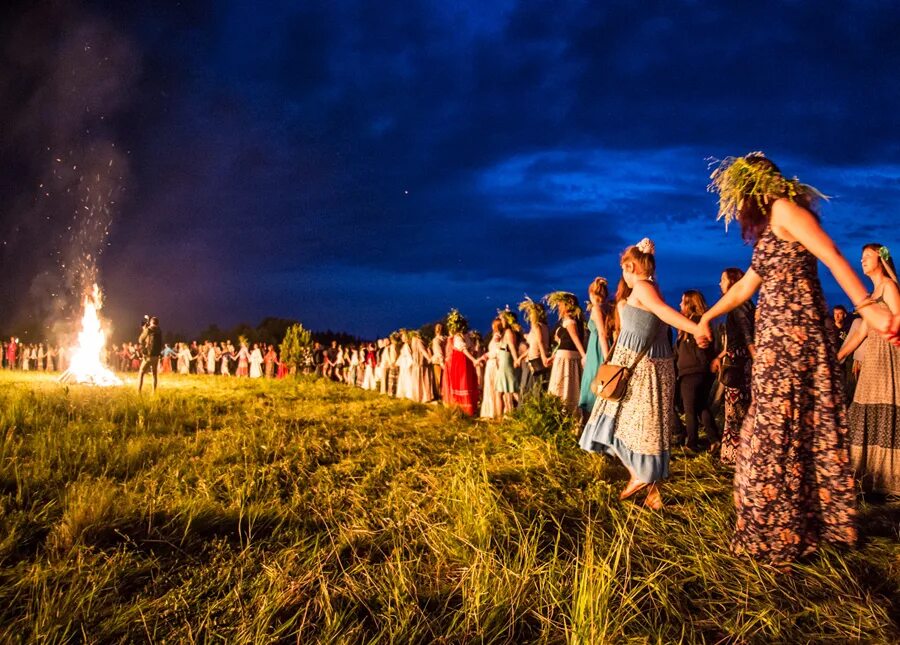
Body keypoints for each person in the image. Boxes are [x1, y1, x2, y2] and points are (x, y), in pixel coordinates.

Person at [699, 152, 898, 564]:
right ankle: (782, 526)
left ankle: (785, 530)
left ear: (752, 187)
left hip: (797, 338)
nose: (737, 205)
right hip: (775, 343)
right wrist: (706, 315)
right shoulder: (773, 225)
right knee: (770, 431)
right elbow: (742, 290)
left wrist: (868, 305)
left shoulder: (787, 210)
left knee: (780, 430)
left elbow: (833, 256)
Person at [580, 239, 705, 510]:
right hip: (654, 364)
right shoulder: (652, 287)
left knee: (628, 423)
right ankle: (653, 490)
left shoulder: (643, 287)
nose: (622, 275)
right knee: (652, 427)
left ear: (630, 266)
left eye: (624, 268)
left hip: (642, 367)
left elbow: (663, 312)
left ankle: (641, 475)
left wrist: (696, 329)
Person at [837, 244, 900, 496]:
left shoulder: (889, 287)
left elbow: (898, 317)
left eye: (867, 256)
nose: (862, 260)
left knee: (885, 408)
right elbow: (862, 331)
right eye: (860, 256)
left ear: (881, 259)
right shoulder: (872, 293)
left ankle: (889, 480)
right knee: (863, 408)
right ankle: (867, 476)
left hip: (887, 358)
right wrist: (840, 355)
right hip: (872, 359)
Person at [711, 268, 756, 464]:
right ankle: (736, 454)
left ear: (732, 281)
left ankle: (738, 456)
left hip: (741, 362)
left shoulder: (740, 305)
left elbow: (747, 334)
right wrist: (720, 355)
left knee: (738, 410)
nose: (719, 283)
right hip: (737, 358)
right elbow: (735, 339)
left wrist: (754, 356)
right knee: (734, 409)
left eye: (722, 279)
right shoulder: (738, 305)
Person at [675, 290, 720, 452]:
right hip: (700, 371)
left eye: (682, 301)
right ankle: (714, 439)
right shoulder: (700, 323)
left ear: (690, 303)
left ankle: (691, 443)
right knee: (701, 407)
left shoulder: (694, 324)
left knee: (689, 409)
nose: (680, 305)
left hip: (691, 371)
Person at [545, 292, 586, 414]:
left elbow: (575, 339)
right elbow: (562, 342)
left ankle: (565, 413)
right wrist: (553, 356)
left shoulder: (570, 320)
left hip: (567, 359)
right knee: (564, 386)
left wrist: (583, 355)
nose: (558, 307)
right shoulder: (572, 320)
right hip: (563, 356)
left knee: (564, 387)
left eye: (560, 305)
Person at [579, 278, 613, 421]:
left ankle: (590, 427)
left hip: (598, 351)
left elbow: (602, 334)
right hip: (595, 349)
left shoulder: (597, 309)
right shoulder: (608, 308)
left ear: (592, 294)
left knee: (594, 385)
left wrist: (607, 359)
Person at [443, 309, 480, 415]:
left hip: (461, 362)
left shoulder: (458, 337)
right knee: (464, 382)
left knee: (463, 383)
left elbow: (464, 350)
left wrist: (474, 360)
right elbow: (470, 349)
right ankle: (465, 409)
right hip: (462, 362)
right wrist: (474, 359)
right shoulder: (465, 336)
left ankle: (465, 410)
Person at [517, 299, 550, 397]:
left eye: (530, 314)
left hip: (537, 359)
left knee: (536, 387)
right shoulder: (544, 326)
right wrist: (520, 358)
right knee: (538, 386)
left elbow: (540, 342)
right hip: (537, 357)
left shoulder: (537, 326)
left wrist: (543, 356)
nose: (529, 316)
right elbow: (534, 345)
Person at [138, 316, 163, 393]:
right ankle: (153, 392)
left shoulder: (148, 329)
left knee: (141, 372)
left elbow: (140, 340)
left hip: (148, 356)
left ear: (151, 322)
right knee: (154, 374)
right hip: (156, 356)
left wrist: (144, 329)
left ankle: (139, 392)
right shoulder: (159, 331)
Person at [431, 323, 447, 399]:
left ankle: (439, 395)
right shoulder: (445, 338)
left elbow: (438, 351)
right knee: (443, 378)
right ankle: (443, 394)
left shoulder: (436, 340)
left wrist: (441, 361)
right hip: (445, 359)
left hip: (438, 361)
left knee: (438, 379)